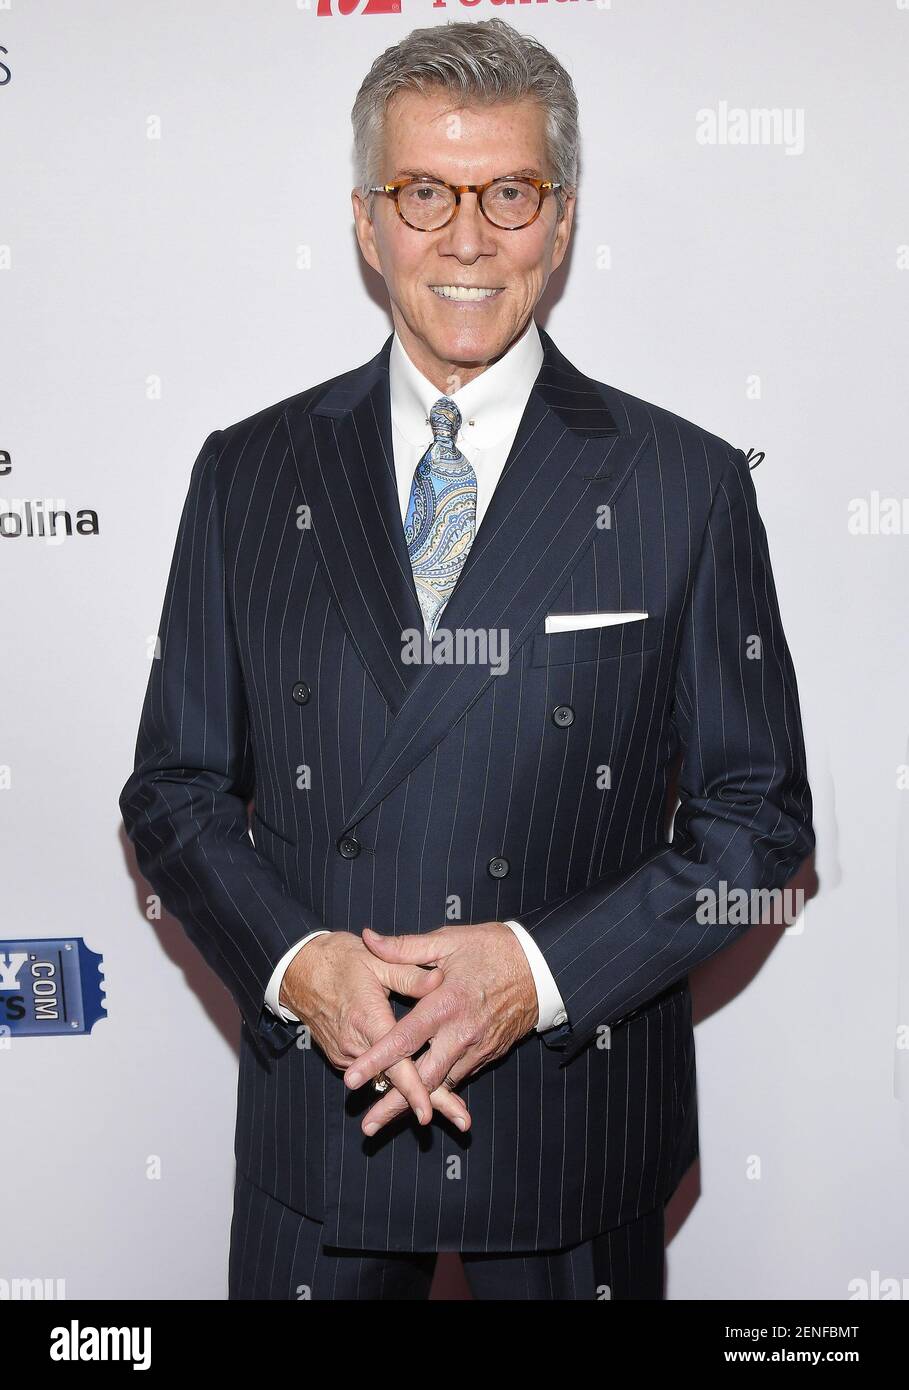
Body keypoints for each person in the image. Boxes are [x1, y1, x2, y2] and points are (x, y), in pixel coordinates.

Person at [119, 17, 814, 1300]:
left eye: (509, 193)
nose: (467, 239)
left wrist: (539, 975)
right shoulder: (249, 472)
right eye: (424, 193)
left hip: (570, 1116)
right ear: (366, 222)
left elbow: (760, 821)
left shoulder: (683, 484)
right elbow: (173, 790)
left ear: (562, 219)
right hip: (323, 1118)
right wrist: (299, 964)